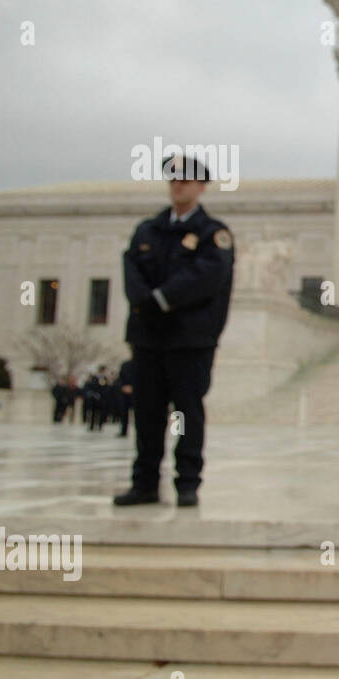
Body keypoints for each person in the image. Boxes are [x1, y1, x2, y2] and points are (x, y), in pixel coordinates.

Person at [113, 154, 235, 508]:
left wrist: (162, 299)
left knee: (185, 413)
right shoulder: (147, 230)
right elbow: (131, 270)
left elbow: (206, 279)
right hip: (148, 337)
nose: (178, 185)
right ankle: (145, 483)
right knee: (148, 412)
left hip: (189, 339)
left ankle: (187, 482)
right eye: (173, 179)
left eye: (185, 180)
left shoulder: (214, 234)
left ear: (201, 186)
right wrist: (148, 302)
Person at [115, 359, 135, 437]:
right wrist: (123, 387)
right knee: (124, 413)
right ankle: (124, 431)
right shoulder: (125, 365)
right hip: (124, 392)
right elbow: (120, 378)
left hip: (136, 392)